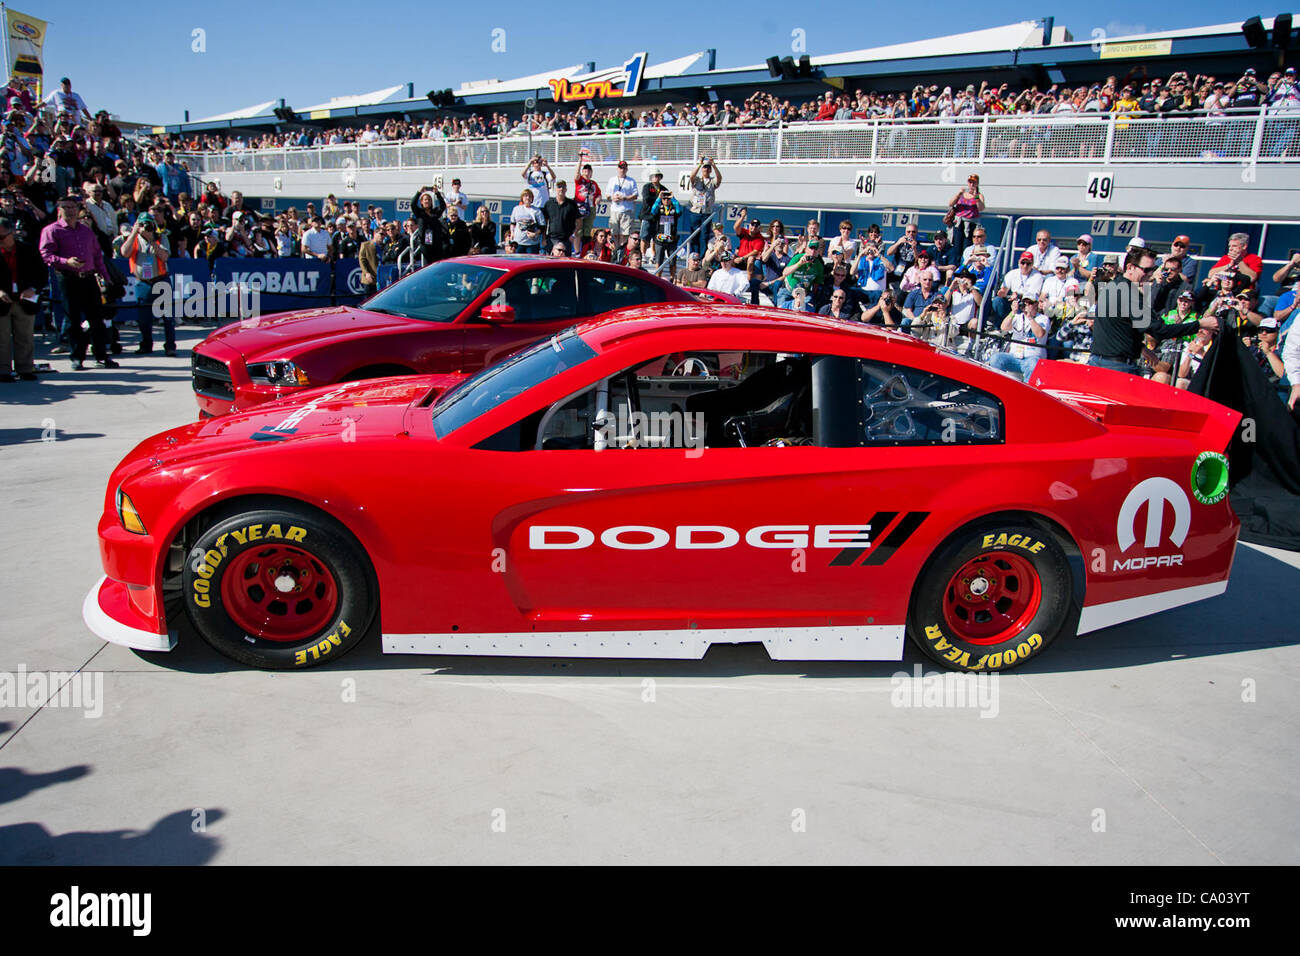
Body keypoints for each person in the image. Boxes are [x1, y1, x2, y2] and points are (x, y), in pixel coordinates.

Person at [1089, 247, 1218, 374]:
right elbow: (1159, 331)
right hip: (1117, 367)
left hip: (1097, 361)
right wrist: (1200, 324)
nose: (1151, 274)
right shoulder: (1129, 294)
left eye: (1153, 269)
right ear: (1130, 267)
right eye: (1146, 270)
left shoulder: (1112, 286)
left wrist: (1141, 347)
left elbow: (1119, 327)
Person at [40, 195, 117, 370]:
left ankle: (101, 356)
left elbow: (97, 256)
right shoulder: (51, 230)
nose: (69, 210)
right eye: (65, 207)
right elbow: (46, 255)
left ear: (77, 209)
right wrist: (66, 261)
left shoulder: (86, 231)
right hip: (68, 278)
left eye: (72, 207)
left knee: (97, 319)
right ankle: (77, 357)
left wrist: (105, 277)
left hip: (89, 278)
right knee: (73, 320)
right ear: (59, 210)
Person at [120, 213, 174, 355]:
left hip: (161, 280)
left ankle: (170, 346)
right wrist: (134, 233)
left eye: (149, 224)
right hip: (143, 282)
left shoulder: (161, 237)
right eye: (143, 224)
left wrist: (152, 242)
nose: (146, 227)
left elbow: (165, 256)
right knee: (144, 318)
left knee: (167, 316)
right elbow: (124, 253)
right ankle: (146, 344)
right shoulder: (134, 239)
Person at [0, 217, 42, 381]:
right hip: (3, 301)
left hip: (25, 299)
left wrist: (33, 288)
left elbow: (41, 274)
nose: (1, 241)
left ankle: (25, 368)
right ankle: (2, 370)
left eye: (2, 237)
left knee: (25, 336)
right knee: (1, 338)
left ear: (12, 234)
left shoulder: (28, 250)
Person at [991, 297, 1050, 381]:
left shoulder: (1043, 318)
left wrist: (1030, 318)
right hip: (1014, 357)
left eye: (1029, 303)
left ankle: (1027, 391)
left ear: (1036, 304)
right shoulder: (1017, 316)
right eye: (1024, 303)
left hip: (1032, 358)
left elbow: (1040, 334)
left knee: (1033, 365)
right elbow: (1003, 328)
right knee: (996, 358)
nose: (1026, 305)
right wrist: (1013, 312)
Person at [682, 155, 722, 258]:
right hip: (695, 211)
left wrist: (714, 165)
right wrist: (700, 163)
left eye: (708, 168)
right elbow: (691, 176)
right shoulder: (697, 180)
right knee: (694, 235)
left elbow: (719, 178)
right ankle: (694, 255)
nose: (706, 169)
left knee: (704, 236)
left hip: (706, 212)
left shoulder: (712, 181)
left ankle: (702, 257)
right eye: (705, 167)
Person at [946, 173, 985, 261]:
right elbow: (950, 203)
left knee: (967, 246)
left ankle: (965, 266)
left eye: (974, 182)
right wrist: (958, 194)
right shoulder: (962, 194)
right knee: (957, 246)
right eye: (970, 182)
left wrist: (976, 197)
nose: (971, 184)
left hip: (971, 224)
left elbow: (981, 208)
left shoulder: (979, 195)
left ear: (977, 183)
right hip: (959, 223)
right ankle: (956, 266)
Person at [647, 188, 681, 280]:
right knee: (659, 260)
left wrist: (673, 198)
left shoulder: (673, 210)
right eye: (664, 198)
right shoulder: (659, 209)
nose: (666, 200)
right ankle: (658, 278)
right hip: (660, 239)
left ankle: (672, 278)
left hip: (672, 239)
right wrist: (658, 198)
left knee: (672, 261)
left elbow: (679, 210)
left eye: (668, 199)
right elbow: (652, 211)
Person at [409, 186, 447, 266]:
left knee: (437, 264)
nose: (427, 201)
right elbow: (412, 204)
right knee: (427, 264)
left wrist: (437, 193)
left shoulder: (435, 212)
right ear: (422, 202)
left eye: (429, 200)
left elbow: (443, 205)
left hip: (436, 243)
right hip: (425, 243)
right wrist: (419, 192)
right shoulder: (419, 212)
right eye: (425, 199)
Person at [605, 160, 637, 252]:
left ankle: (622, 252)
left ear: (626, 169)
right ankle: (615, 252)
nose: (622, 170)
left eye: (624, 168)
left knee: (625, 234)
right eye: (620, 168)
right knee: (614, 233)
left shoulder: (631, 181)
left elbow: (635, 195)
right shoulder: (612, 180)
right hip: (615, 210)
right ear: (617, 168)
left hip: (626, 210)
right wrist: (612, 198)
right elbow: (607, 195)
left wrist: (624, 198)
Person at [542, 181, 580, 257]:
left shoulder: (572, 204)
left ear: (566, 189)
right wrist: (544, 238)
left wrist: (573, 235)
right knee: (549, 262)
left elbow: (579, 222)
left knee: (565, 264)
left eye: (563, 187)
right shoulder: (549, 204)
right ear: (556, 189)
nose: (561, 189)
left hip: (566, 240)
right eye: (559, 187)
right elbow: (545, 223)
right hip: (552, 239)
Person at [509, 188, 544, 254]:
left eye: (530, 196)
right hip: (518, 242)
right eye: (525, 196)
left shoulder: (537, 211)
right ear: (522, 198)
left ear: (532, 199)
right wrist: (512, 233)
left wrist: (535, 233)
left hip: (532, 244)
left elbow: (542, 227)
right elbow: (512, 223)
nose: (527, 198)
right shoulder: (516, 209)